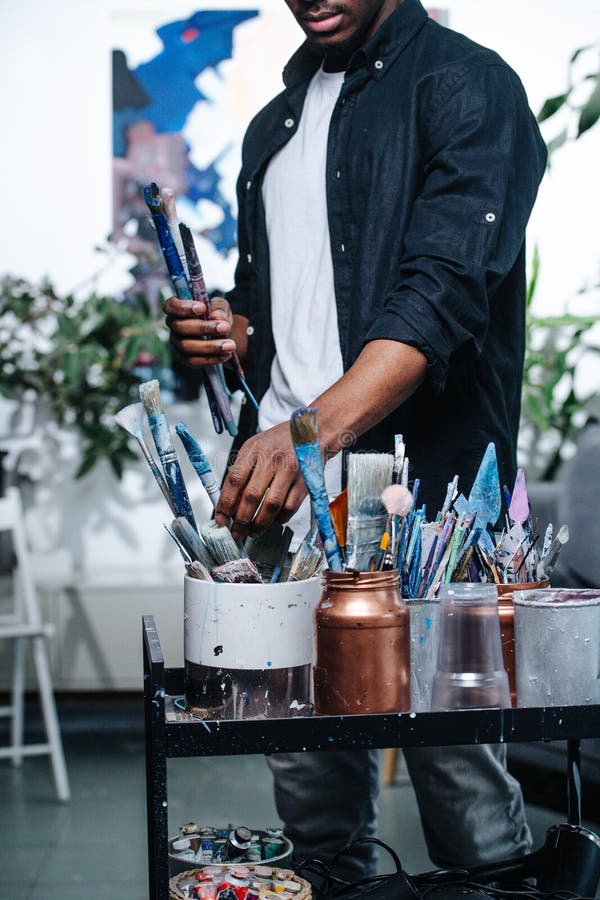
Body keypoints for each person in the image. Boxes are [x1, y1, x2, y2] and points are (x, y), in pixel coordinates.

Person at [164, 0, 547, 881]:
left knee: (459, 776)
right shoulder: (275, 124)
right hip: (292, 508)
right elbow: (279, 299)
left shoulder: (468, 87)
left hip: (422, 503)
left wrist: (306, 435)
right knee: (308, 788)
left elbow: (438, 302)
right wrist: (235, 328)